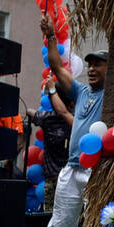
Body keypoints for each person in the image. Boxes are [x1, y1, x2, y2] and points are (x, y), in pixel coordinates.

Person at [43, 13, 107, 227]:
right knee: (61, 226)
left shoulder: (112, 96)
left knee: (95, 225)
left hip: (97, 168)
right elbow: (56, 66)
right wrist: (51, 35)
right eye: (89, 65)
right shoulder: (81, 91)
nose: (90, 69)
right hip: (71, 167)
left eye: (98, 65)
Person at [29, 77, 73, 210]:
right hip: (71, 180)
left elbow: (30, 112)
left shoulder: (46, 118)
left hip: (53, 180)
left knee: (50, 219)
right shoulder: (75, 119)